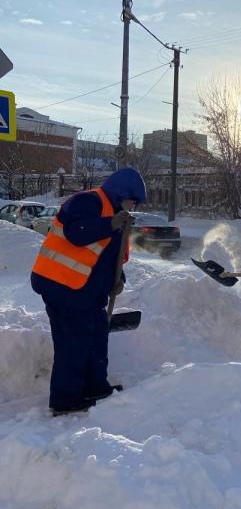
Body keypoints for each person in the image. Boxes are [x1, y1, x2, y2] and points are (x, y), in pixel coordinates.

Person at [30, 168, 146, 415]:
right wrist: (111, 224)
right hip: (60, 285)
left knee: (97, 336)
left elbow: (109, 257)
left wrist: (117, 280)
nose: (133, 206)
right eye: (131, 201)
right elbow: (77, 233)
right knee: (74, 342)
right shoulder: (87, 201)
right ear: (120, 194)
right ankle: (65, 399)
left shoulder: (118, 219)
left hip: (86, 291)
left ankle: (95, 386)